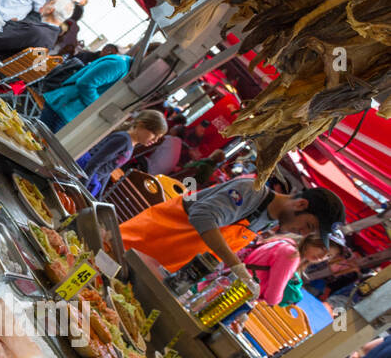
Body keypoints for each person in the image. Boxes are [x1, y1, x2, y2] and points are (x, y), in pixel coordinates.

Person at [119, 175, 344, 295]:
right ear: (301, 204)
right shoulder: (251, 191)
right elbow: (202, 216)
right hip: (134, 246)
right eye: (307, 225)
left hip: (154, 268)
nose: (303, 233)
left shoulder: (271, 220)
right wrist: (237, 267)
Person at [77, 109, 168, 197]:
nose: (155, 140)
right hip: (86, 172)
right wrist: (82, 185)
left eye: (158, 137)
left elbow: (108, 170)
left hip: (92, 176)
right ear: (141, 125)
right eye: (154, 135)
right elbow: (95, 162)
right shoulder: (123, 140)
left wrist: (99, 195)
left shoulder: (130, 145)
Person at [39, 53, 131, 131]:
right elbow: (86, 84)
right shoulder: (119, 65)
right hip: (64, 109)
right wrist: (98, 106)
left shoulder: (123, 66)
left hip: (67, 110)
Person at [241, 233, 331, 306]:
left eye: (328, 255)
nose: (321, 257)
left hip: (240, 283)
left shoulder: (286, 241)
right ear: (312, 240)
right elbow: (272, 298)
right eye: (322, 249)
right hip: (242, 293)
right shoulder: (291, 255)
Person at [0, 0, 74, 61]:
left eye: (50, 2)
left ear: (51, 10)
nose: (45, 4)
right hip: (0, 60)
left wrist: (10, 23)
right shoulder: (52, 36)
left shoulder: (36, 31)